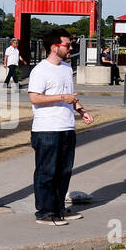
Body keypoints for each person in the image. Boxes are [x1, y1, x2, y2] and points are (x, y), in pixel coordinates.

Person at [28, 31, 94, 226]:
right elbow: (35, 98)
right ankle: (45, 212)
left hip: (67, 127)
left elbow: (70, 96)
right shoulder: (40, 70)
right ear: (54, 47)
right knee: (46, 171)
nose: (71, 48)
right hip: (46, 129)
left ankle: (58, 208)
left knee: (64, 171)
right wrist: (61, 98)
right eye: (67, 45)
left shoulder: (66, 69)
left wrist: (82, 111)